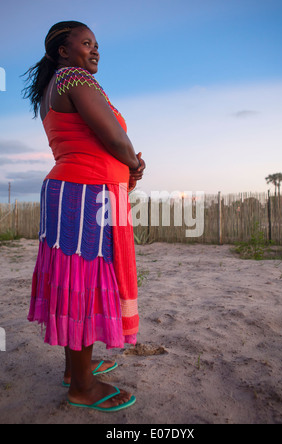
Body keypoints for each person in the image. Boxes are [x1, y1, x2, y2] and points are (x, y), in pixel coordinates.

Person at [23, 21, 146, 412]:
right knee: (86, 282)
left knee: (76, 280)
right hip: (86, 193)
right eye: (86, 43)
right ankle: (81, 388)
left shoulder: (52, 86)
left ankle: (76, 370)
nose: (95, 50)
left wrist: (125, 170)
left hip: (74, 190)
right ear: (63, 50)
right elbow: (113, 136)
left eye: (97, 45)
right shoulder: (74, 77)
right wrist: (134, 165)